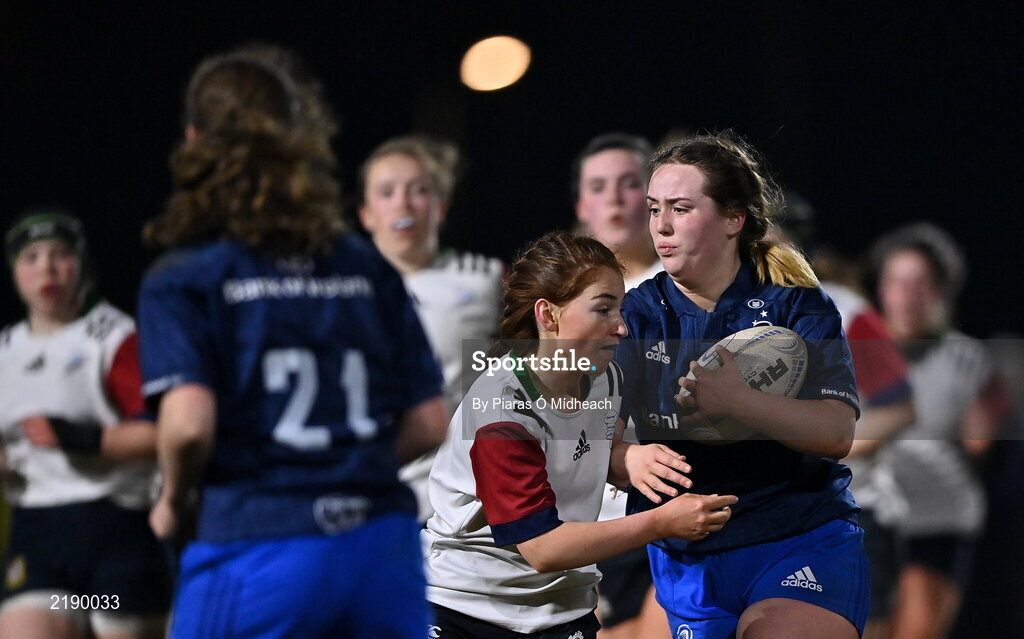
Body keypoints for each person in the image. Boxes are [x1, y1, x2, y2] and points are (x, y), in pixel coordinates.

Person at [137, 45, 448, 639]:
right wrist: (342, 472)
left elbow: (189, 425)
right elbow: (430, 422)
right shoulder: (367, 266)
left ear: (195, 139)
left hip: (256, 543)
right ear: (300, 139)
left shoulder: (187, 275)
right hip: (380, 551)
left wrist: (174, 501)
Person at [616, 132, 868, 639]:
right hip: (687, 555)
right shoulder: (634, 314)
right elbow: (586, 438)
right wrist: (624, 459)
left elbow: (837, 434)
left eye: (682, 209)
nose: (661, 227)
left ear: (734, 219)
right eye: (653, 209)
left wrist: (740, 401)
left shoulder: (797, 303)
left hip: (797, 535)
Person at [423, 231, 737, 639]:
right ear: (548, 315)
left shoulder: (605, 378)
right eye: (603, 309)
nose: (622, 327)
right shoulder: (502, 415)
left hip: (561, 608)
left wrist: (622, 456)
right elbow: (543, 547)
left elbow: (571, 447)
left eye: (620, 309)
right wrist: (660, 522)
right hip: (463, 609)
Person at [0, 208, 171, 639]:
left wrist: (89, 439)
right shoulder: (5, 350)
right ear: (14, 272)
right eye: (31, 258)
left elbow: (164, 431)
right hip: (40, 532)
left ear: (81, 263)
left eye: (60, 255)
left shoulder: (113, 337)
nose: (47, 269)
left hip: (116, 530)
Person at [359, 135, 502, 522]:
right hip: (372, 492)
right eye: (387, 192)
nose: (403, 203)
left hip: (462, 497)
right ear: (366, 214)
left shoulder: (485, 281)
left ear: (439, 207)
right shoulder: (346, 294)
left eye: (418, 190)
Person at [870, 223, 1001, 639]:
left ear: (942, 291)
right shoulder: (851, 352)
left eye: (919, 283)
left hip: (936, 528)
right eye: (896, 282)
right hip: (869, 523)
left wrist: (988, 430)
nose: (906, 296)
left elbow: (984, 448)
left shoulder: (970, 361)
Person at [572, 132, 669, 638]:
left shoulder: (688, 287)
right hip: (580, 515)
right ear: (581, 203)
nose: (613, 197)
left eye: (630, 184)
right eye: (599, 185)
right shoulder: (552, 295)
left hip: (664, 504)